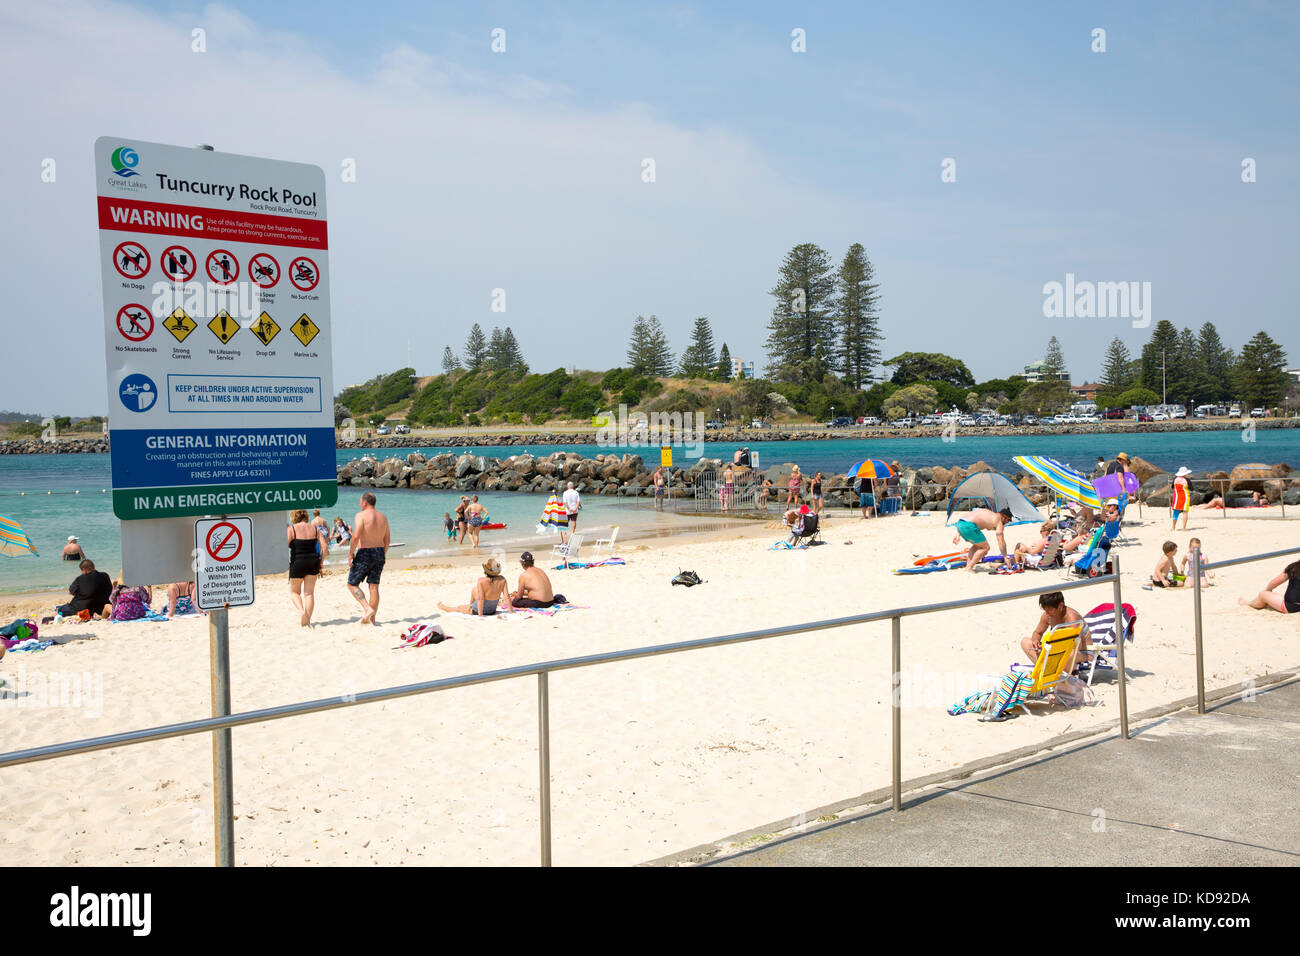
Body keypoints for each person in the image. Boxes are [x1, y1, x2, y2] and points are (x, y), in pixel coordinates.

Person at [348, 492, 390, 625]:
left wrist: (350, 554)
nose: (360, 504)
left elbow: (355, 536)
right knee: (374, 587)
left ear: (364, 503)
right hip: (379, 552)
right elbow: (387, 540)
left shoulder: (361, 515)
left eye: (360, 502)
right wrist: (381, 553)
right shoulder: (383, 517)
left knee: (352, 584)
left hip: (365, 552)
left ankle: (367, 609)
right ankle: (372, 619)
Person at [1020, 590, 1091, 664]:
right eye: (1045, 609)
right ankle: (1048, 666)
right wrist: (1036, 642)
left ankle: (1047, 666)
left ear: (1060, 605)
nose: (1047, 613)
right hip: (1057, 653)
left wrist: (1050, 648)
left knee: (1069, 654)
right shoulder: (1048, 615)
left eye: (1050, 609)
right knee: (1025, 642)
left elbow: (1076, 646)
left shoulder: (1072, 617)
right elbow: (1037, 633)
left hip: (1082, 654)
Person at [438, 557, 513, 617]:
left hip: (479, 610)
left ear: (486, 571)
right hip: (492, 610)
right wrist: (511, 612)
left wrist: (480, 615)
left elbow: (481, 599)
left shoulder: (481, 581)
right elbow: (507, 597)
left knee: (459, 608)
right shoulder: (502, 579)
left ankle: (444, 608)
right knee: (474, 589)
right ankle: (470, 605)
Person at [287, 508, 321, 627]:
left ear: (294, 517)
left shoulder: (291, 529)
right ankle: (307, 620)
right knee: (309, 593)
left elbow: (283, 546)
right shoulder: (315, 528)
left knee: (294, 592)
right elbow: (325, 547)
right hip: (313, 562)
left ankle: (302, 612)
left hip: (297, 562)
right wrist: (321, 562)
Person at [1171, 466, 1191, 532]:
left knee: (1176, 512)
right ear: (1185, 474)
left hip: (1177, 497)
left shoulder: (1175, 479)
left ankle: (1173, 527)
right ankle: (1184, 528)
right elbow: (1191, 488)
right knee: (1185, 512)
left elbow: (1172, 487)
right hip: (1185, 497)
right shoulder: (1187, 480)